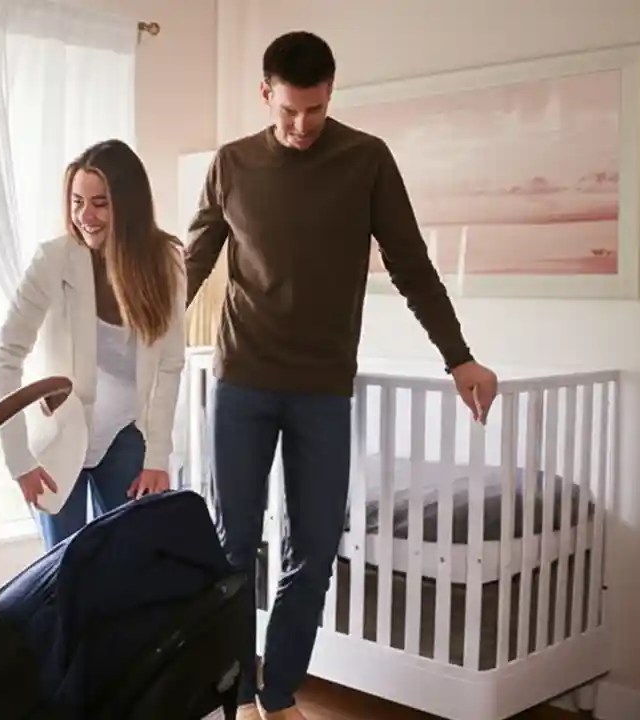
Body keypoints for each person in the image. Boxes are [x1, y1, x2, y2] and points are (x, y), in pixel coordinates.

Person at [183, 31, 499, 720]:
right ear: (265, 94)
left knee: (315, 549)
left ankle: (278, 690)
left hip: (323, 390)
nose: (302, 126)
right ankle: (232, 692)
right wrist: (144, 343)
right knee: (233, 550)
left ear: (332, 95)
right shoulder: (232, 164)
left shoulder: (366, 160)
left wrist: (458, 356)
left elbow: (412, 266)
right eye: (290, 110)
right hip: (241, 383)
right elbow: (193, 264)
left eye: (317, 110)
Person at [0, 139, 187, 552]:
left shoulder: (165, 261)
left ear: (128, 206)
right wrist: (19, 460)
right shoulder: (53, 260)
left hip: (124, 434)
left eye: (100, 203)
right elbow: (5, 356)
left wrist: (157, 458)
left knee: (129, 564)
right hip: (62, 436)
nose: (85, 217)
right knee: (62, 573)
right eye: (78, 202)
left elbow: (169, 364)